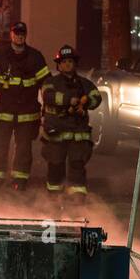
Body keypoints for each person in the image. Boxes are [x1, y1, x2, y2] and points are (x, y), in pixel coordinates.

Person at [0, 20, 49, 190]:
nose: (19, 36)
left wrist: (48, 104)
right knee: (0, 144)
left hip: (27, 111)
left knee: (24, 147)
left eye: (22, 33)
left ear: (26, 35)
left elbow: (46, 84)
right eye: (16, 33)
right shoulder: (0, 55)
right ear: (11, 34)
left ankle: (20, 179)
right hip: (4, 111)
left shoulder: (35, 57)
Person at [40, 44, 102, 205]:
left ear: (75, 64)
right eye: (64, 62)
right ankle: (53, 199)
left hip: (78, 133)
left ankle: (78, 200)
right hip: (56, 133)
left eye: (70, 61)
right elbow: (48, 97)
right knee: (55, 165)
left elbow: (97, 97)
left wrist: (86, 103)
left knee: (77, 165)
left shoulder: (85, 84)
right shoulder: (50, 82)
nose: (67, 64)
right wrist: (69, 100)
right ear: (58, 65)